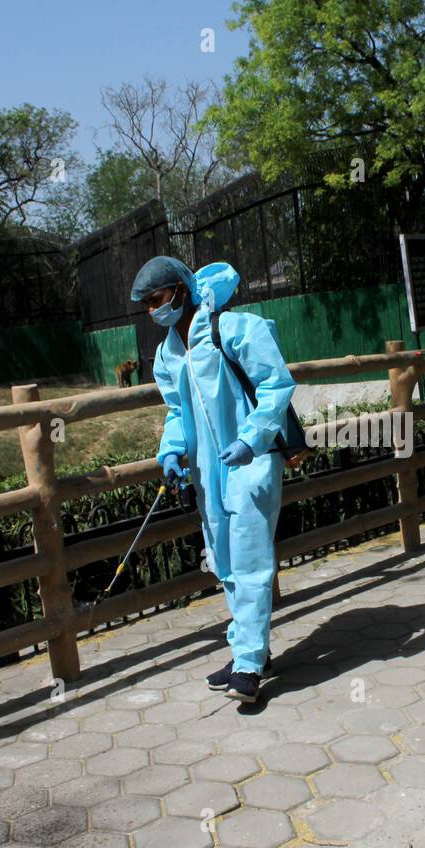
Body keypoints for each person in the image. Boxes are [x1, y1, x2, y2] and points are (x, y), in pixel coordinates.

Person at [130, 256, 295, 703]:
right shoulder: (167, 353)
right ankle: (250, 650)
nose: (153, 311)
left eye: (158, 299)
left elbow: (276, 385)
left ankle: (247, 665)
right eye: (146, 305)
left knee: (249, 556)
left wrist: (253, 438)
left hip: (250, 460)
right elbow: (178, 411)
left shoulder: (236, 328)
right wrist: (170, 449)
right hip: (207, 468)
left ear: (182, 290)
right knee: (223, 558)